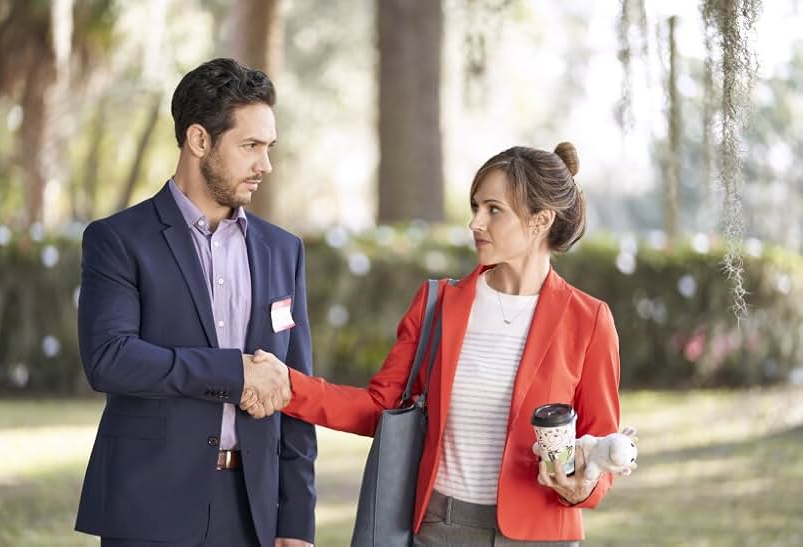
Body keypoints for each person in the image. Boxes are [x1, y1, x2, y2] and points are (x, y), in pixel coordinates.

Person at [246, 143, 621, 545]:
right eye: (475, 207)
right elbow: (379, 409)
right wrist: (289, 385)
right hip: (440, 530)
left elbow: (604, 445)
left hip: (542, 534)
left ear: (540, 220)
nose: (476, 223)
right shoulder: (438, 305)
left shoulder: (588, 320)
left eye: (494, 210)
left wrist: (584, 487)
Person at [76, 58, 316, 547]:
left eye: (268, 147)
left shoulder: (282, 249)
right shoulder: (118, 240)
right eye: (250, 146)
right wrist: (235, 373)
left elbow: (293, 388)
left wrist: (296, 523)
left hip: (253, 511)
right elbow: (111, 359)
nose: (264, 165)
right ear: (199, 140)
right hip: (149, 505)